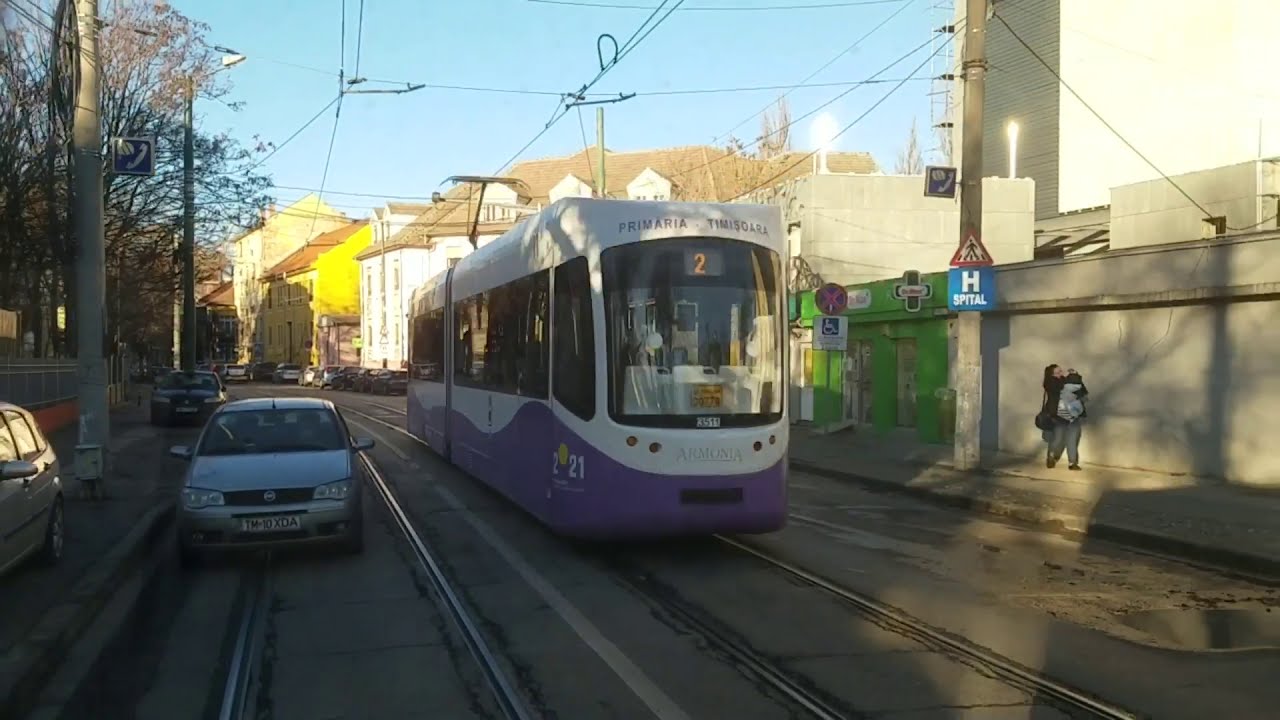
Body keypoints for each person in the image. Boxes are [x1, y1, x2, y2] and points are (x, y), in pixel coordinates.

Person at [1039, 364, 1086, 470]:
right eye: (1058, 372)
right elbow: (1060, 390)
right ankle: (1051, 456)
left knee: (1072, 439)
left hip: (1073, 414)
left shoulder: (1067, 381)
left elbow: (1081, 389)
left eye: (1061, 371)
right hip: (1059, 416)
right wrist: (1069, 380)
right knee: (1058, 439)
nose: (1061, 373)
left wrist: (1075, 376)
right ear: (1052, 374)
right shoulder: (1050, 383)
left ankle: (1072, 463)